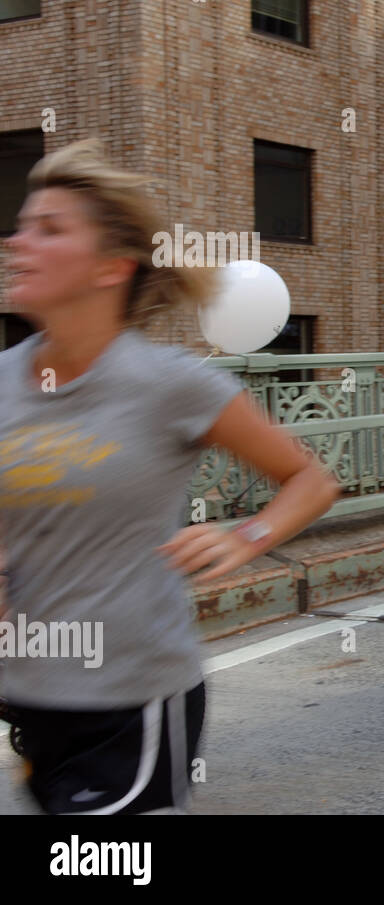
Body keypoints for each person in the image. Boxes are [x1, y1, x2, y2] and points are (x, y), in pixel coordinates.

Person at [0, 140, 340, 814]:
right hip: (30, 699)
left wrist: (247, 536)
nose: (17, 242)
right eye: (21, 225)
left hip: (133, 704)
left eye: (50, 229)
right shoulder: (5, 380)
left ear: (110, 267)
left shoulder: (170, 383)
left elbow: (311, 480)